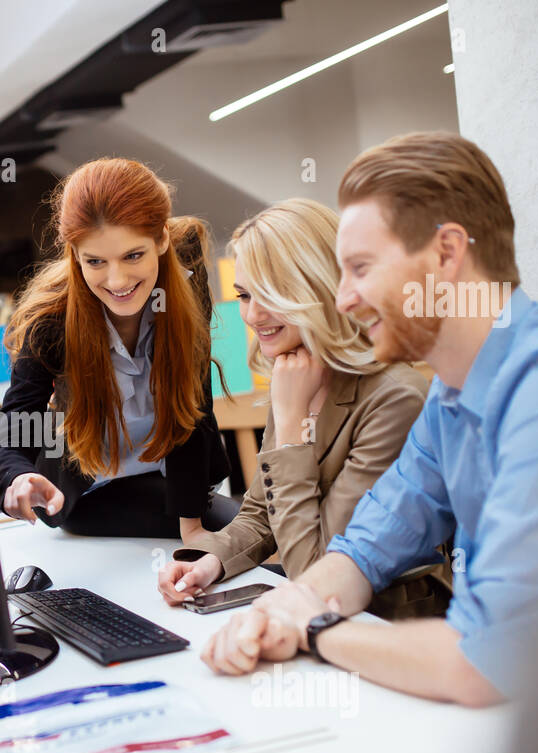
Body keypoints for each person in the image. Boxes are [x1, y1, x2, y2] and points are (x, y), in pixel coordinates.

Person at [200, 131, 538, 705]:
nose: (342, 300)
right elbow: (361, 552)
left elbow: (485, 661)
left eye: (361, 268)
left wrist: (314, 628)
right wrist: (282, 610)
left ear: (446, 254)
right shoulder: (450, 397)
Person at [154, 198, 442, 617]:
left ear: (320, 288)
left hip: (390, 623)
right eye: (244, 294)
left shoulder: (396, 398)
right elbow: (260, 514)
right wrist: (209, 561)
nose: (252, 315)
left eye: (271, 294)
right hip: (323, 615)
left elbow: (320, 571)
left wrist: (289, 430)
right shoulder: (298, 372)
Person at [0, 157, 234, 543]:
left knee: (248, 534)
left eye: (133, 255)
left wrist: (193, 531)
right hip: (88, 493)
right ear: (74, 254)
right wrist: (16, 478)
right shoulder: (53, 316)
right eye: (95, 261)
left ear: (162, 239)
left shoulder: (185, 274)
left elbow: (192, 405)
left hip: (176, 482)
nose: (117, 280)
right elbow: (15, 427)